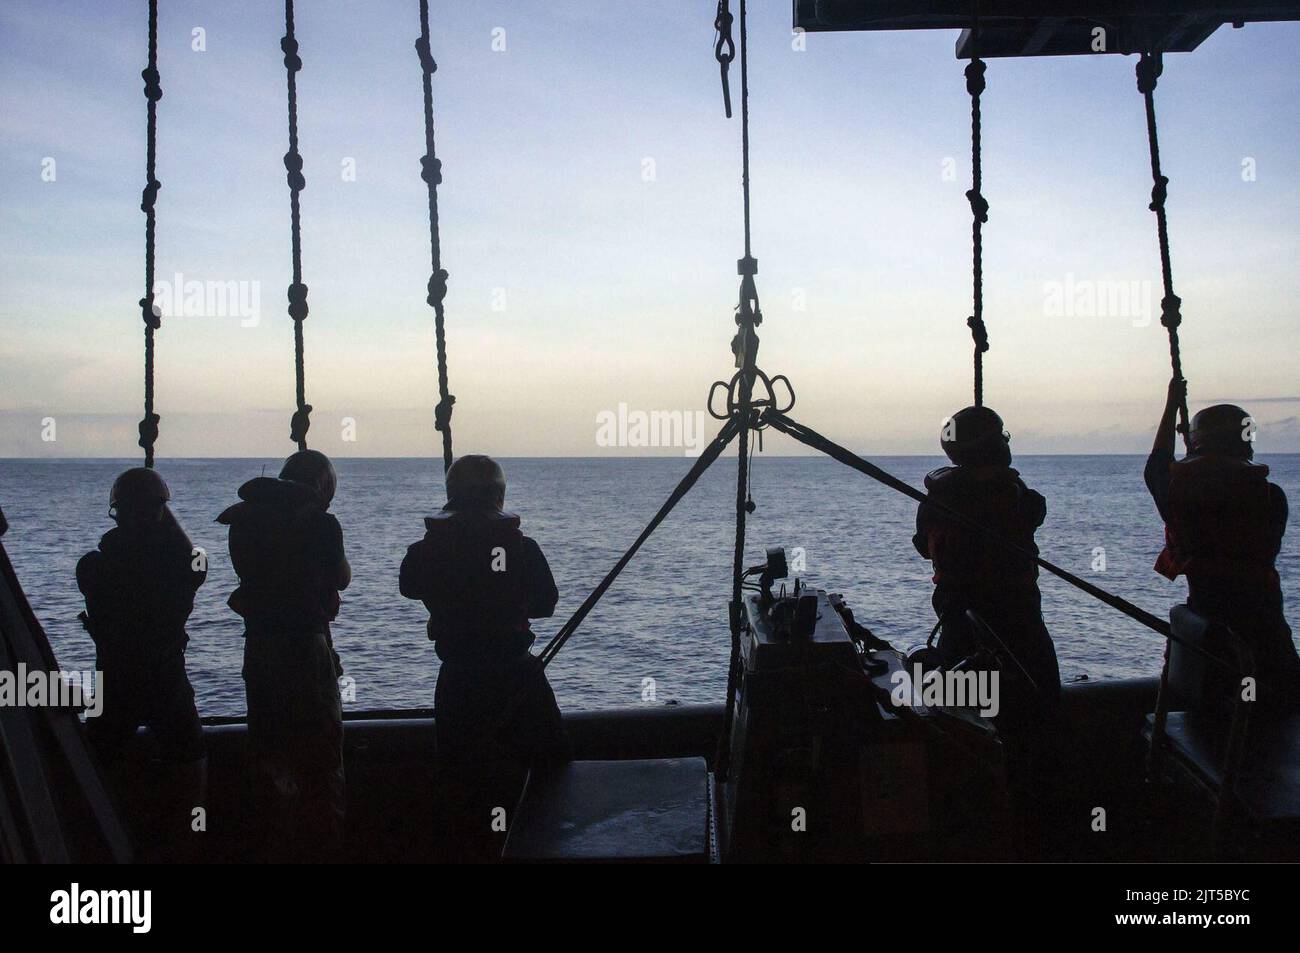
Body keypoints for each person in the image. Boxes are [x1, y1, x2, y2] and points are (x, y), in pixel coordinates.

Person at [400, 455, 566, 859]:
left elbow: (410, 586)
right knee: (551, 767)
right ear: (498, 496)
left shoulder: (424, 552)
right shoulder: (522, 548)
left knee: (460, 779)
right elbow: (546, 602)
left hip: (458, 680)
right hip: (516, 678)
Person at [217, 449, 350, 860]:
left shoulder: (243, 521)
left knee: (270, 752)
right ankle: (320, 846)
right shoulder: (322, 523)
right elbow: (341, 577)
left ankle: (272, 843)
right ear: (323, 487)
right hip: (307, 648)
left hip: (259, 648)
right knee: (321, 757)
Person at [76, 467, 207, 856]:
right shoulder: (178, 569)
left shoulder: (94, 568)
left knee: (100, 768)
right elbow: (196, 559)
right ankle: (187, 847)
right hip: (167, 682)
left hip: (115, 686)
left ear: (116, 513)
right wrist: (163, 510)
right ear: (158, 512)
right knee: (191, 758)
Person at [1146, 378, 1298, 711]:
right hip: (1268, 632)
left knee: (1225, 721)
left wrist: (1172, 402)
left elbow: (1156, 467)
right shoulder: (1272, 498)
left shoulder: (1181, 495)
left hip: (1214, 635)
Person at [912, 407, 1062, 726]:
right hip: (1018, 627)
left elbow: (924, 546)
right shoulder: (1015, 497)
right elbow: (1034, 512)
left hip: (957, 625)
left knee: (962, 724)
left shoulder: (936, 497)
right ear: (991, 446)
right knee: (1042, 712)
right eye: (1002, 436)